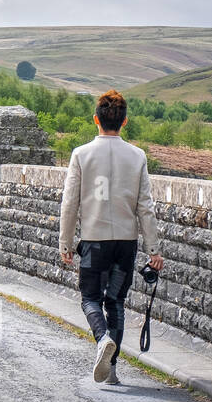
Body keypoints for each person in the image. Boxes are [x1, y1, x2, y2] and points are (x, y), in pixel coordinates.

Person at [59, 90, 163, 385]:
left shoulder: (81, 154)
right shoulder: (138, 156)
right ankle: (112, 370)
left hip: (94, 241)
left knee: (90, 298)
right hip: (125, 244)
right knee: (115, 302)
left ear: (96, 120)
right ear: (124, 122)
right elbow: (146, 206)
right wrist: (153, 249)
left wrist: (65, 243)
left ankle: (102, 337)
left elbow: (70, 204)